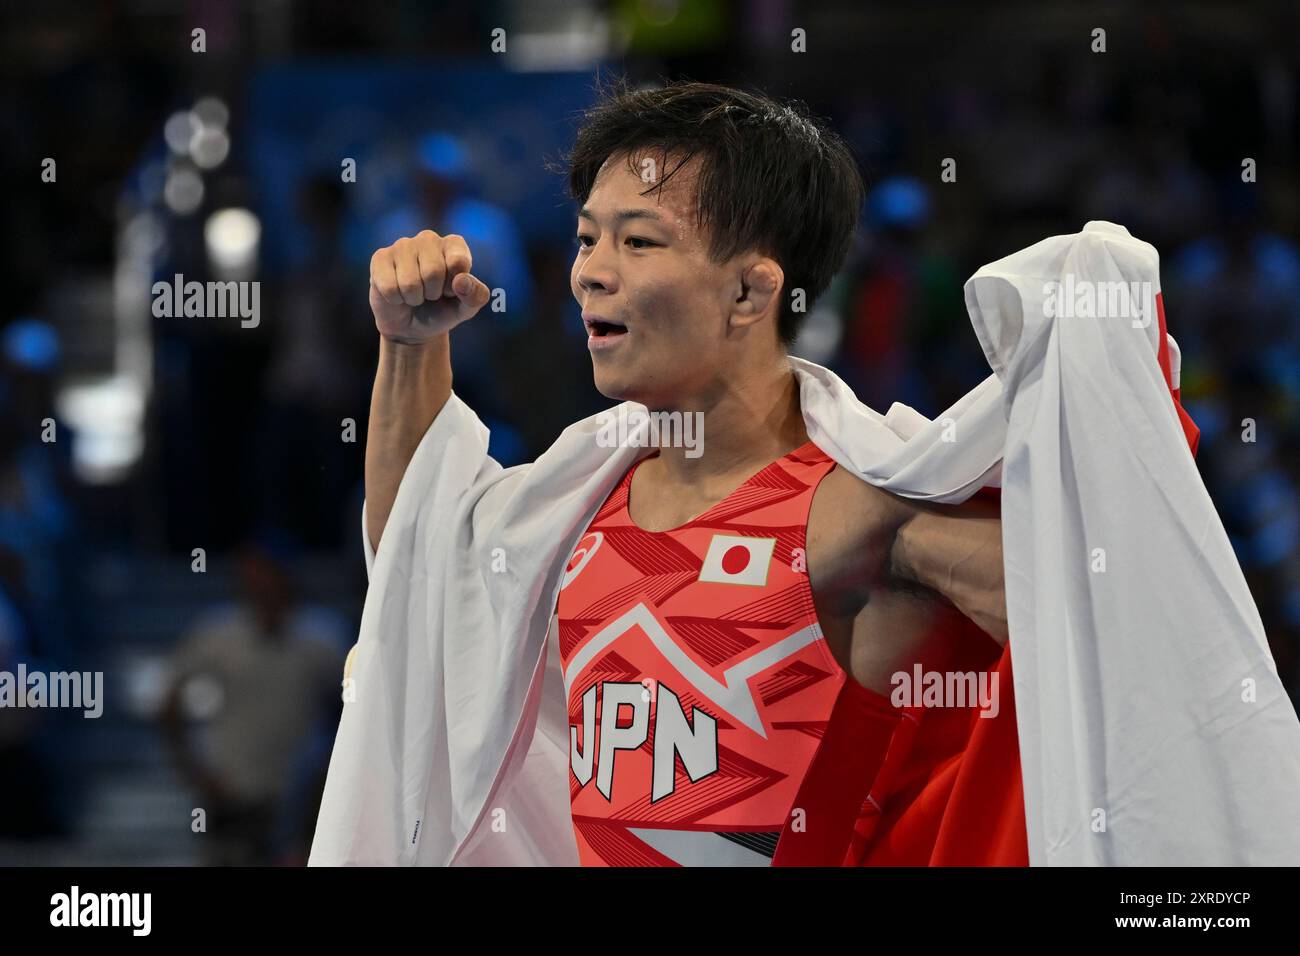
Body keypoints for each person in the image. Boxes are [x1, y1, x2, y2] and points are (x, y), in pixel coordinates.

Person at [362, 81, 1013, 866]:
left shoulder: (861, 516)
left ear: (750, 290)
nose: (590, 274)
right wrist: (407, 347)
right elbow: (416, 571)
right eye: (585, 239)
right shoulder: (568, 514)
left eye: (637, 242)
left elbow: (1114, 641)